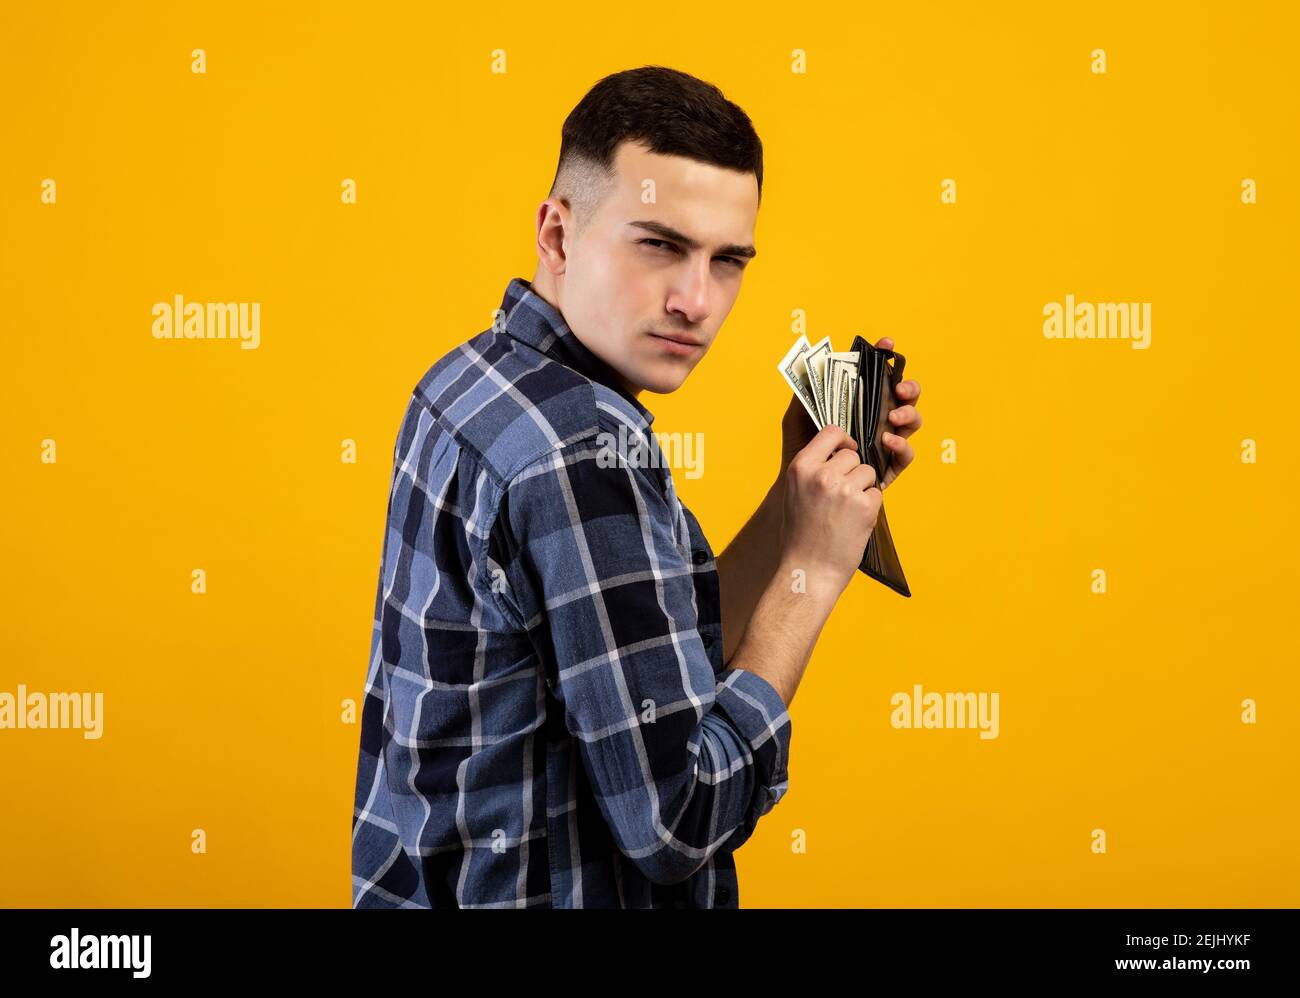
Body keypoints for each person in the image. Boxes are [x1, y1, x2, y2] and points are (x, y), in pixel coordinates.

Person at [351, 65, 923, 909]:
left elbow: (650, 664)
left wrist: (791, 495)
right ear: (557, 234)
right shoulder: (580, 453)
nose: (696, 301)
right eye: (660, 244)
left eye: (729, 261)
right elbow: (680, 818)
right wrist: (813, 572)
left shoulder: (467, 381)